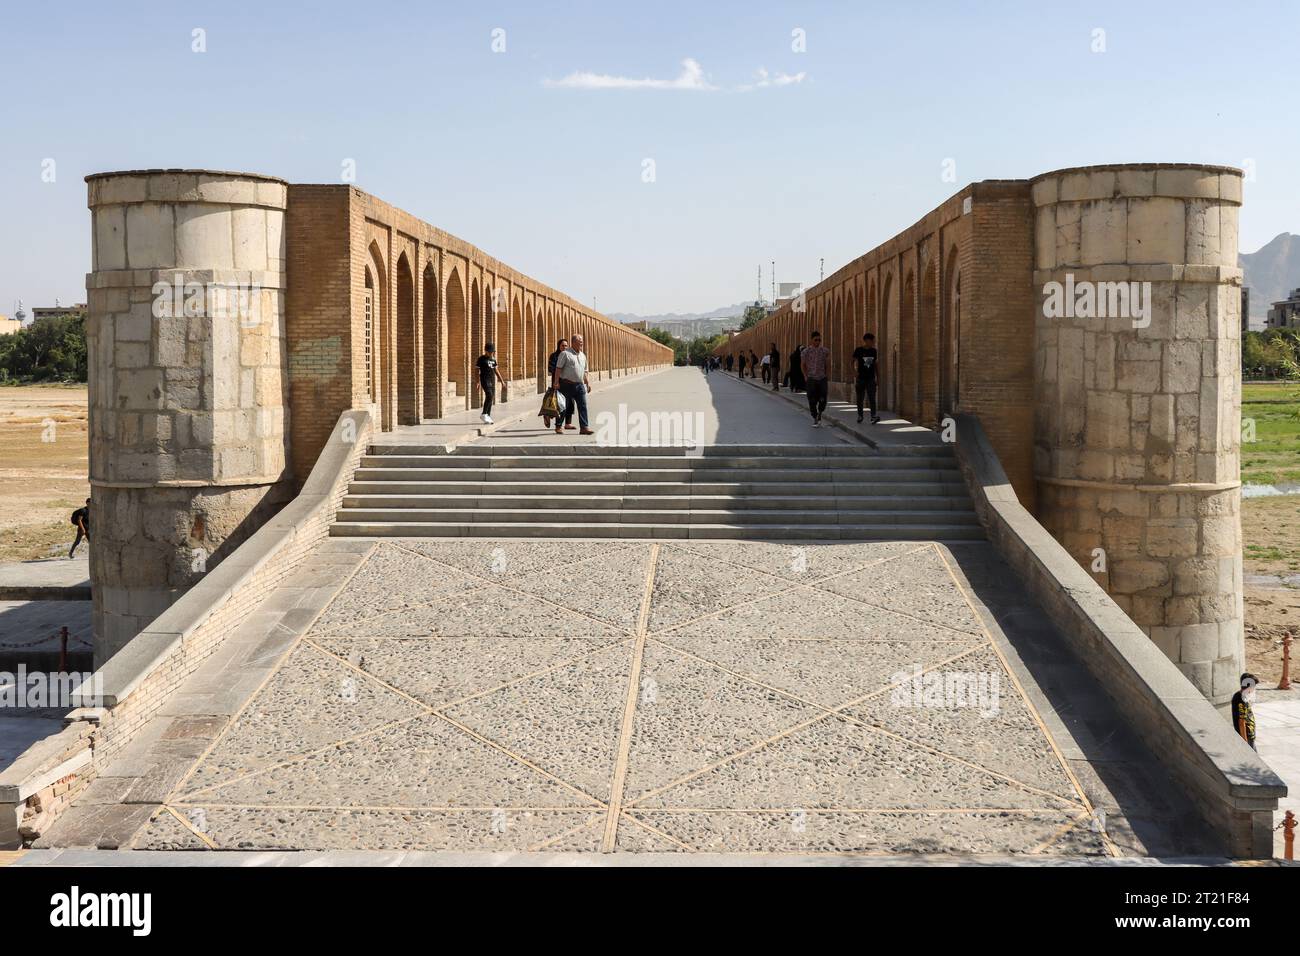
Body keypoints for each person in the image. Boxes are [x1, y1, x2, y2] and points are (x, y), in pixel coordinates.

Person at [552, 333, 594, 435]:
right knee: (563, 406)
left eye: (582, 342)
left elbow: (585, 371)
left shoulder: (583, 355)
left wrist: (587, 383)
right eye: (579, 342)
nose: (581, 343)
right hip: (566, 384)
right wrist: (556, 382)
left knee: (583, 406)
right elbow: (558, 368)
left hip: (579, 385)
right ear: (573, 342)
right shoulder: (565, 354)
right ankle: (558, 426)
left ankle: (584, 427)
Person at [800, 331, 831, 427]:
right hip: (811, 378)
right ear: (811, 340)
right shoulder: (806, 351)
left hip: (822, 378)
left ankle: (820, 414)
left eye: (819, 340)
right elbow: (803, 364)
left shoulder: (825, 351)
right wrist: (805, 376)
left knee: (823, 398)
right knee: (812, 399)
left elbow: (827, 364)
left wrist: (827, 375)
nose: (818, 342)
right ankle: (815, 417)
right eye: (816, 340)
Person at [852, 332, 881, 425]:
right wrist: (854, 372)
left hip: (871, 378)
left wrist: (878, 377)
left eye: (873, 340)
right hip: (861, 378)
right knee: (860, 398)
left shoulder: (873, 351)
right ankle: (860, 416)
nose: (873, 342)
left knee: (872, 397)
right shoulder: (859, 350)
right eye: (872, 340)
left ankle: (873, 416)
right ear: (866, 340)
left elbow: (875, 364)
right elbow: (851, 362)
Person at [476, 342, 507, 424]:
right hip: (484, 380)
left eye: (492, 352)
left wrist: (502, 382)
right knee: (489, 395)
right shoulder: (481, 359)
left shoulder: (493, 360)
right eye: (489, 352)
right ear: (485, 351)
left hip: (491, 380)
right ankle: (484, 414)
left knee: (491, 397)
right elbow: (476, 371)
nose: (491, 353)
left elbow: (496, 371)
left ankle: (488, 416)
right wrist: (477, 382)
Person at [542, 337, 569, 427]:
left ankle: (566, 423)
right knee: (557, 402)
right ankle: (550, 417)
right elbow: (551, 369)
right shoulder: (554, 356)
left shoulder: (569, 355)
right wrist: (560, 370)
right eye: (562, 346)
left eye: (566, 346)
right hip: (557, 382)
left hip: (567, 382)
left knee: (567, 402)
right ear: (559, 346)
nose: (564, 347)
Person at [1232, 673, 1259, 751]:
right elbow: (1241, 722)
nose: (1254, 689)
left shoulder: (1242, 696)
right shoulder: (1241, 700)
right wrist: (1245, 742)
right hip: (1247, 737)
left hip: (1249, 735)